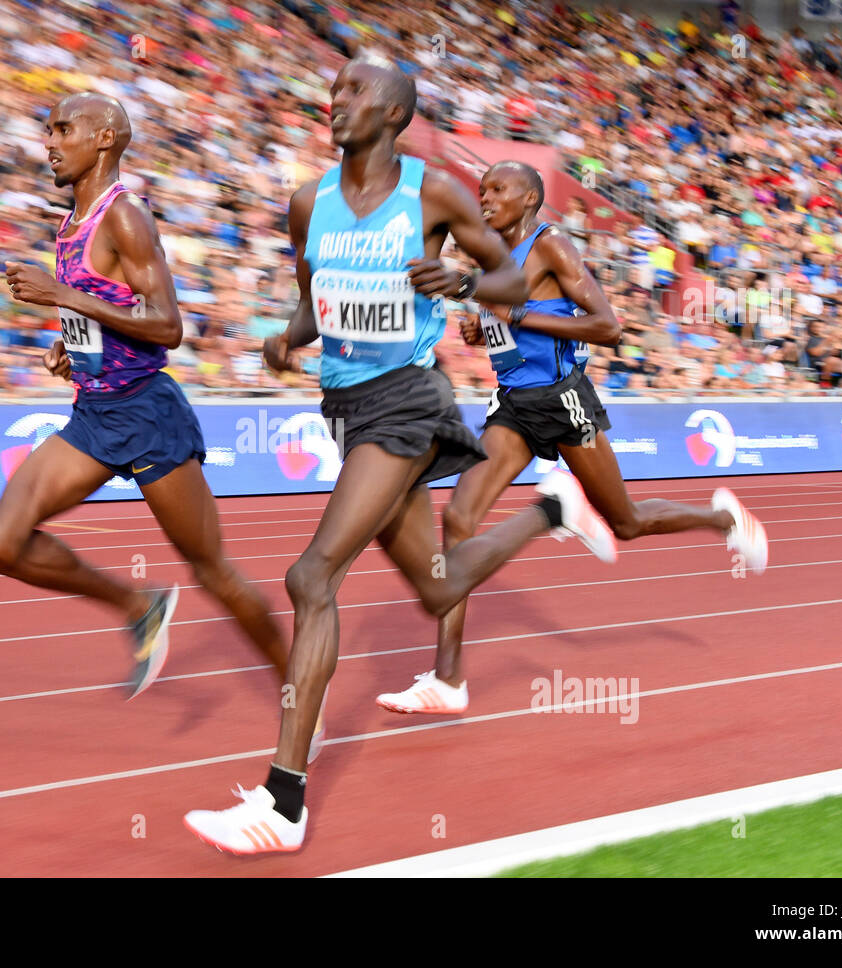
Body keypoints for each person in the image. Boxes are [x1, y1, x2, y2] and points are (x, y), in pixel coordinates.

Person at [183, 56, 615, 855]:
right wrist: (287, 337)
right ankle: (555, 509)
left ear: (391, 115)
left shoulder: (435, 193)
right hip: (345, 405)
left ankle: (283, 804)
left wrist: (456, 280)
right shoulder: (308, 202)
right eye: (334, 86)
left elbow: (512, 286)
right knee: (434, 584)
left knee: (312, 577)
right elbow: (313, 304)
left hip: (410, 399)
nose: (334, 98)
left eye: (353, 92)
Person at [0, 94, 314, 748]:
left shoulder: (125, 217)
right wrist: (71, 344)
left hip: (147, 414)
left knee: (213, 569)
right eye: (47, 129)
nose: (47, 142)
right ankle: (138, 605)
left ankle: (298, 692)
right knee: (0, 542)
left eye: (61, 129)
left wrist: (63, 297)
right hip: (95, 413)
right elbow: (108, 308)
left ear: (104, 138)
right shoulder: (70, 218)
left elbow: (168, 327)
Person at [375, 162, 770, 715]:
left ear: (531, 198)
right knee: (458, 520)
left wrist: (519, 314)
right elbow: (506, 322)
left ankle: (725, 520)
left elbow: (607, 326)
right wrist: (484, 326)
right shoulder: (487, 254)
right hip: (513, 405)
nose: (484, 197)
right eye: (481, 189)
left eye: (498, 189)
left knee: (627, 522)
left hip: (564, 401)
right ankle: (448, 679)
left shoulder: (551, 244)